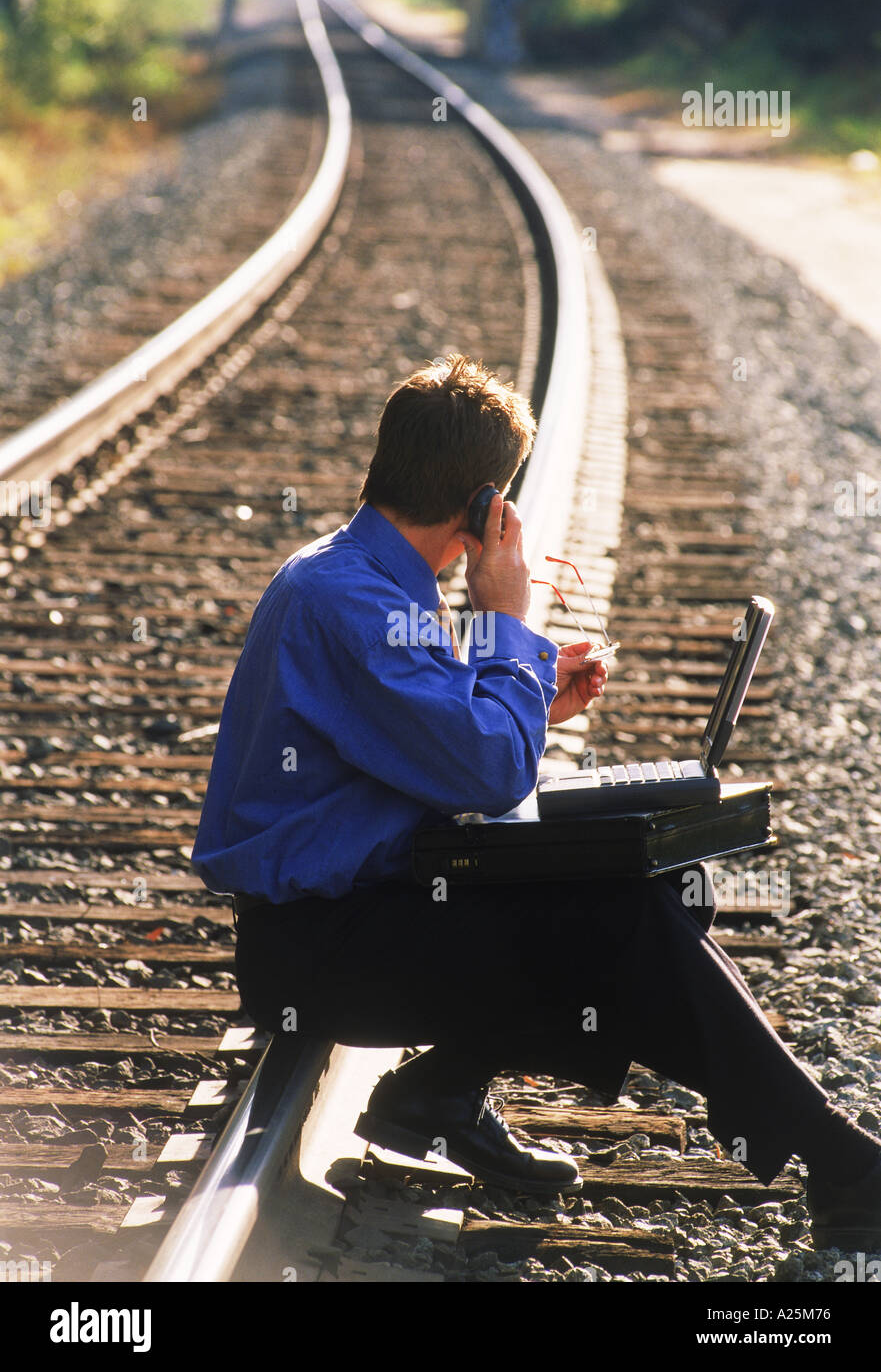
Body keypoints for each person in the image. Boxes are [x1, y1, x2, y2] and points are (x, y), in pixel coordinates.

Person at [192, 353, 881, 1249]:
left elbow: (427, 751)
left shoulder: (355, 576)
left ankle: (444, 1092)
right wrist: (508, 625)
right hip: (322, 948)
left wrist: (527, 693)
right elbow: (487, 773)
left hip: (367, 917)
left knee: (662, 881)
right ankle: (843, 1165)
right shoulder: (350, 602)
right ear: (486, 503)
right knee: (625, 916)